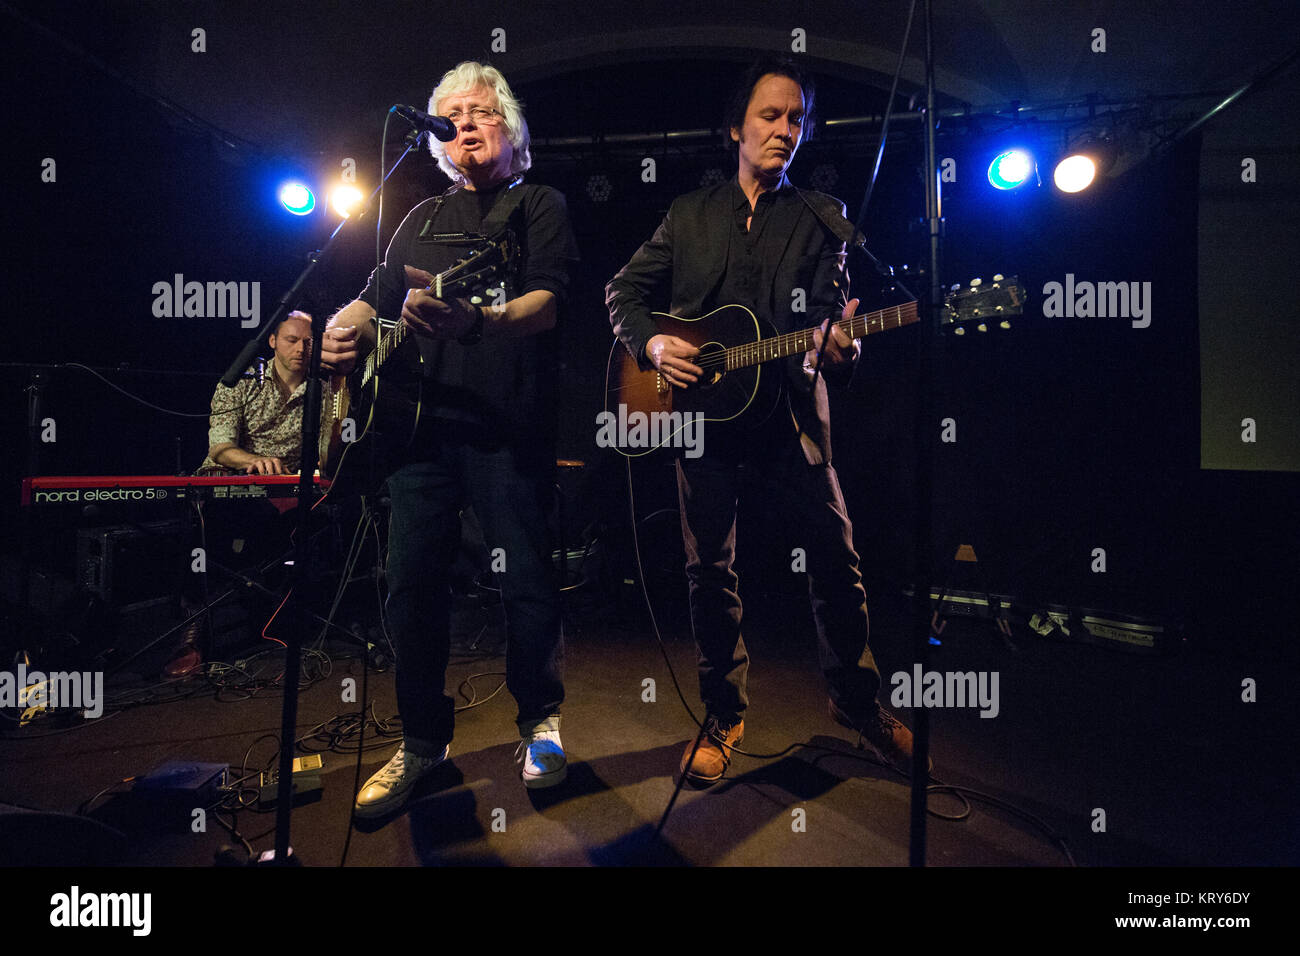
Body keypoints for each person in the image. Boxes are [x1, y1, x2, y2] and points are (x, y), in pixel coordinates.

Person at [606, 57, 918, 785]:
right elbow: (624, 291)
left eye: (796, 119)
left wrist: (840, 351)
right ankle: (723, 715)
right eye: (770, 116)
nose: (784, 130)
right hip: (702, 426)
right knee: (708, 572)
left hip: (790, 424)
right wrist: (651, 341)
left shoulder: (822, 221)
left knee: (838, 563)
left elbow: (830, 341)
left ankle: (856, 702)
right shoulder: (689, 214)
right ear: (735, 129)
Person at [321, 61, 579, 818]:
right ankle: (422, 743)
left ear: (508, 124)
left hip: (505, 430)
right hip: (417, 436)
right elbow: (372, 300)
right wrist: (342, 331)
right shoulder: (421, 218)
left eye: (480, 110)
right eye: (452, 114)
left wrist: (482, 320)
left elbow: (549, 303)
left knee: (525, 583)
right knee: (409, 593)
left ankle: (541, 724)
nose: (465, 122)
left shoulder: (539, 205)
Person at [198, 311, 331, 476]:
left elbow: (330, 450)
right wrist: (254, 461)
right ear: (272, 341)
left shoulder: (324, 392)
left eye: (308, 342)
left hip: (284, 484)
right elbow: (219, 448)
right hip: (228, 475)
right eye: (291, 340)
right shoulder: (240, 383)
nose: (300, 349)